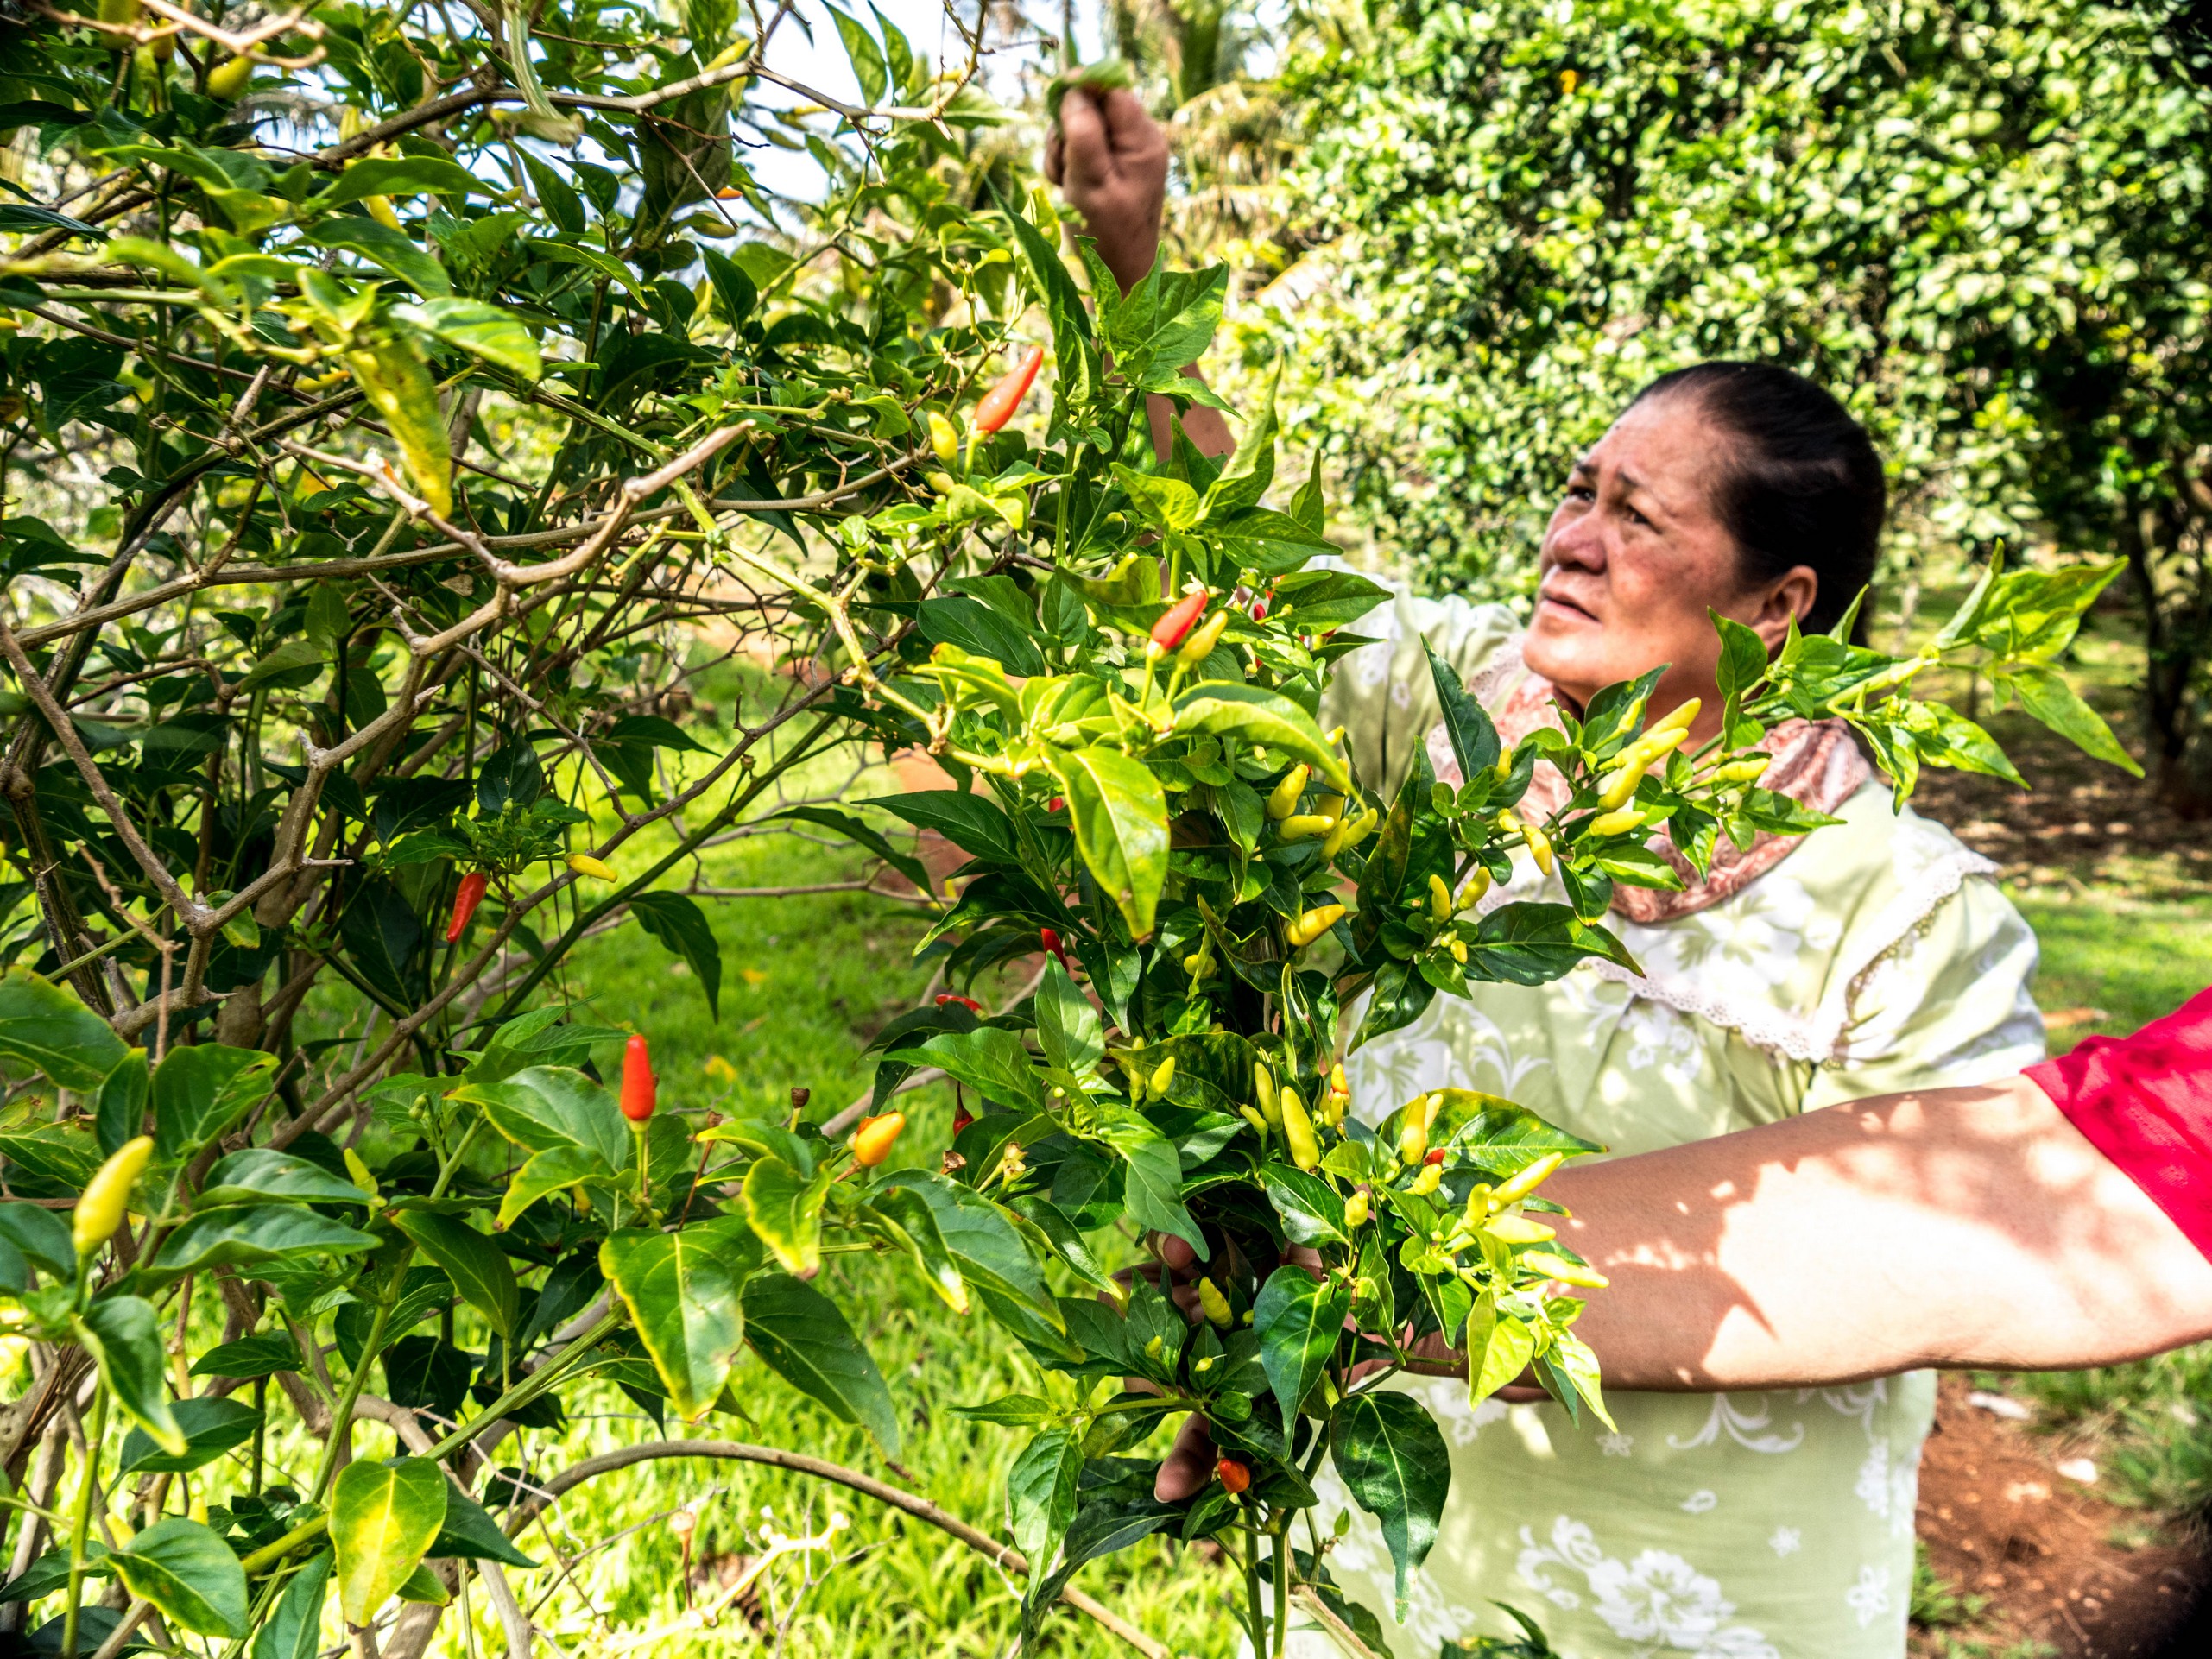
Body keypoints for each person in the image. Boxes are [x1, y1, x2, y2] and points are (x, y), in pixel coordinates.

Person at [1051, 89, 2047, 1658]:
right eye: (1575, 491)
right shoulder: (1456, 705)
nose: (1566, 539)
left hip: (1710, 1586)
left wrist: (1361, 1290)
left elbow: (1946, 1242)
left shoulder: (1899, 906)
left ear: (1779, 602)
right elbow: (1229, 578)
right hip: (1396, 1524)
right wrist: (1132, 285)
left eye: (1631, 515)